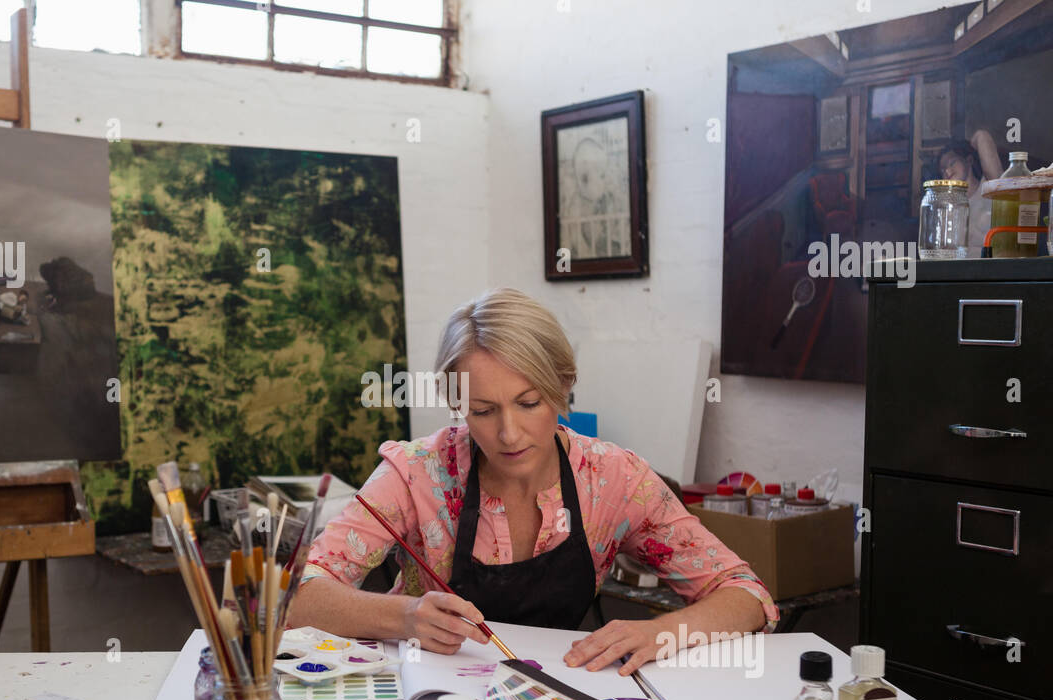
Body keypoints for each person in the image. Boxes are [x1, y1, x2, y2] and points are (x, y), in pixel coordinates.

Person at [292, 288, 777, 676]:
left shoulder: (615, 479)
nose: (508, 433)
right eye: (483, 411)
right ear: (458, 405)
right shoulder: (417, 473)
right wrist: (404, 617)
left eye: (528, 404)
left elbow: (746, 596)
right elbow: (297, 597)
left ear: (563, 386)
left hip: (559, 694)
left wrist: (660, 634)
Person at [939, 131, 1004, 256]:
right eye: (942, 170)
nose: (947, 171)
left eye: (952, 163)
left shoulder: (989, 188)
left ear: (969, 160)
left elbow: (983, 137)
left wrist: (980, 135)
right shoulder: (947, 207)